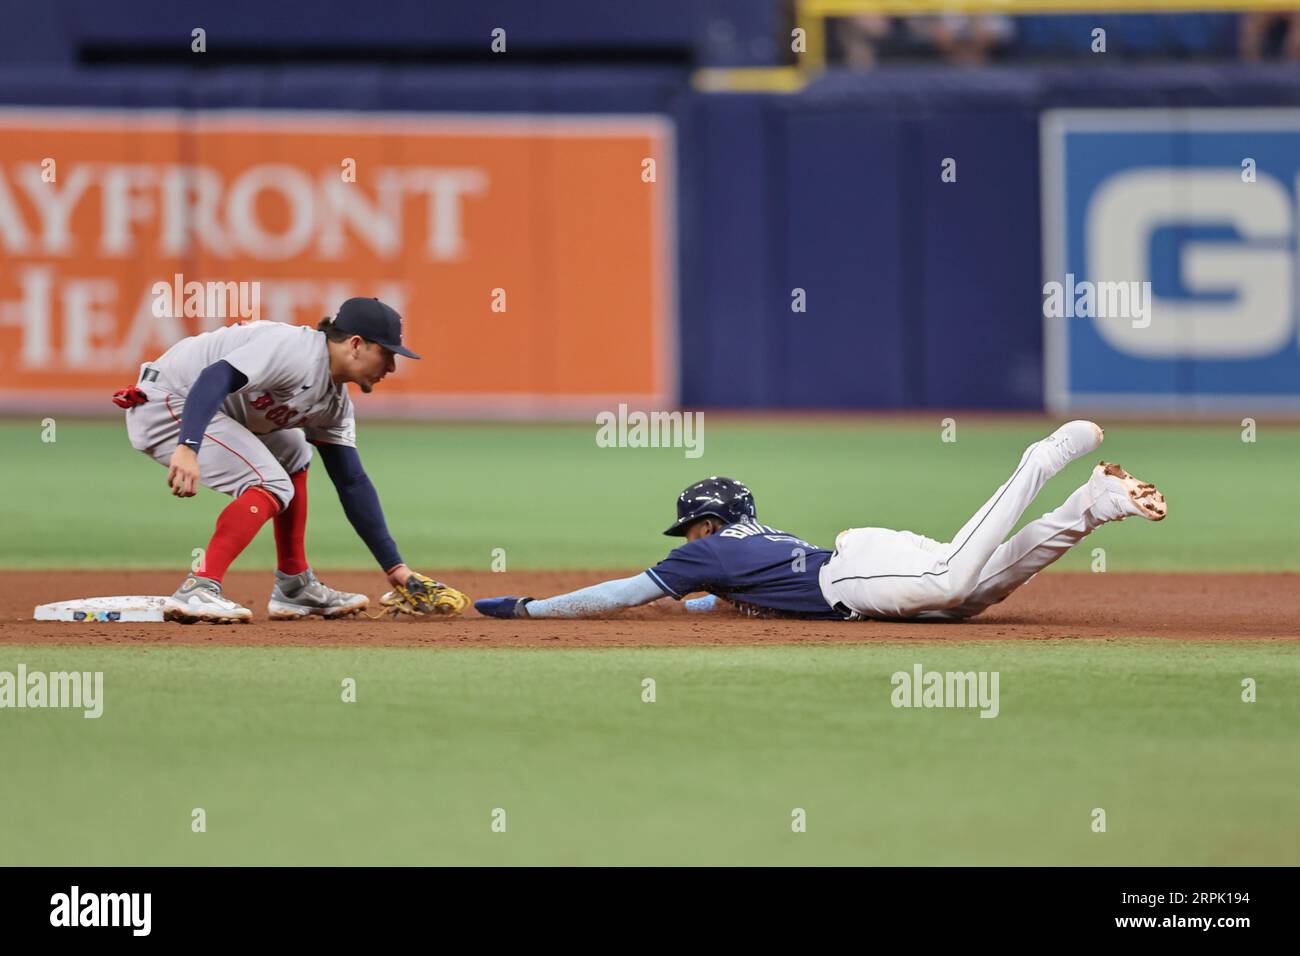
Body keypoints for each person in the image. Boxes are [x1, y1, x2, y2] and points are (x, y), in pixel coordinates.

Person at [474, 422, 1165, 622]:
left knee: (956, 582)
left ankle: (1042, 459)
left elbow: (622, 593)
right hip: (860, 564)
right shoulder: (742, 555)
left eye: (688, 528)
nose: (685, 541)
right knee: (975, 596)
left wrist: (530, 609)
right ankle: (1090, 507)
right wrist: (705, 606)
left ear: (707, 526)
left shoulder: (706, 555)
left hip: (854, 574)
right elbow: (728, 596)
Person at [115, 297, 468, 623]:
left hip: (212, 409)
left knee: (296, 454)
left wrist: (397, 571)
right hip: (170, 401)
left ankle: (294, 586)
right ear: (356, 344)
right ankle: (200, 588)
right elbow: (214, 377)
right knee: (271, 483)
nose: (391, 366)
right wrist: (188, 446)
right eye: (386, 353)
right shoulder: (296, 350)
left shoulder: (333, 403)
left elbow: (351, 481)